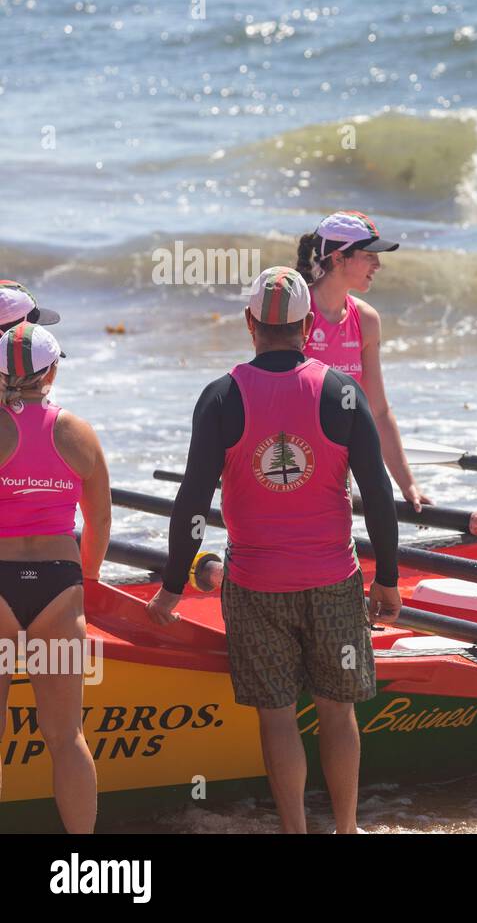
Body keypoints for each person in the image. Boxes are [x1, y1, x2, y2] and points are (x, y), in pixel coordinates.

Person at [145, 267, 403, 833]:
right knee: (338, 712)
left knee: (278, 718)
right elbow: (378, 493)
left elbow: (192, 502)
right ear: (309, 324)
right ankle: (346, 827)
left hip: (256, 588)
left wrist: (170, 586)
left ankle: (293, 829)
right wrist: (388, 576)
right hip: (334, 582)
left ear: (249, 323)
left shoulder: (221, 397)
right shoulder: (341, 391)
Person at [0, 323, 108, 832]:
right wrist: (82, 580)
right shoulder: (77, 432)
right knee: (66, 737)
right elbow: (101, 522)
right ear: (52, 372)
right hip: (59, 589)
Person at [295, 210, 430, 510]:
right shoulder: (296, 312)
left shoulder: (366, 320)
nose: (378, 265)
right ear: (339, 258)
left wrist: (407, 484)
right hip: (289, 462)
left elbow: (379, 412)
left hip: (337, 467)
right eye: (369, 255)